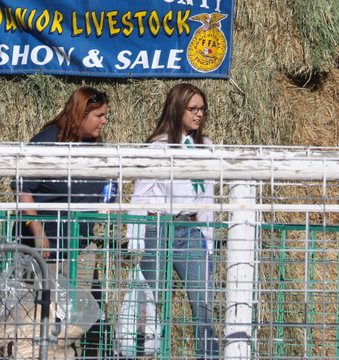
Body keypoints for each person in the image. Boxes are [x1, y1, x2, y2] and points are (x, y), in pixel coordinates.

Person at [12, 86, 116, 359]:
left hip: (79, 248)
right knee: (40, 318)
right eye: (99, 115)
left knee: (76, 321)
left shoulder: (96, 146)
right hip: (45, 250)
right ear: (81, 114)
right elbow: (22, 188)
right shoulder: (47, 141)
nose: (104, 121)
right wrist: (37, 232)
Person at [128, 83, 219, 360]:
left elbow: (208, 199)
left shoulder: (207, 147)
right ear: (177, 108)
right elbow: (140, 197)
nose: (199, 114)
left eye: (202, 109)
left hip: (190, 230)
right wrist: (135, 242)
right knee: (152, 303)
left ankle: (209, 355)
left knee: (203, 302)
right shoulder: (158, 147)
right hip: (158, 229)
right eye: (192, 108)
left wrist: (209, 243)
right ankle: (146, 354)